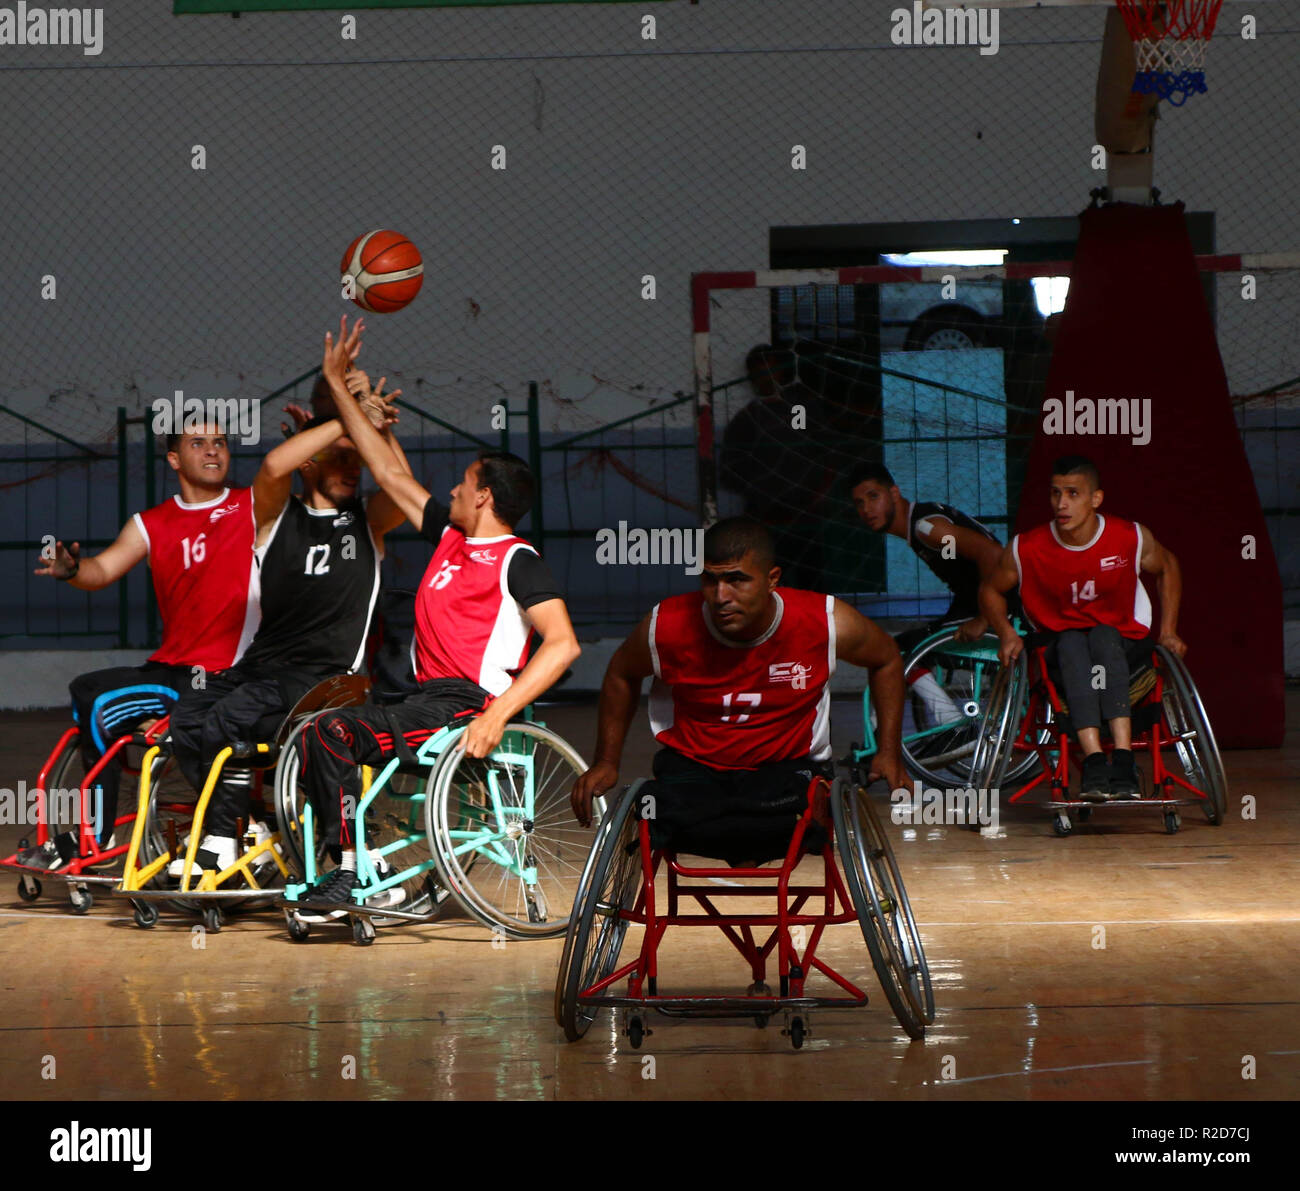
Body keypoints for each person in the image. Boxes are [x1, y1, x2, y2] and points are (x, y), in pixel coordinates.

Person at [288, 316, 581, 919]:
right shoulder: (450, 540)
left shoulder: (517, 560)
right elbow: (392, 475)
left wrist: (498, 714)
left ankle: (349, 873)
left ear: (485, 498)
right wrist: (339, 389)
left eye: (465, 481)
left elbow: (562, 645)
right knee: (312, 726)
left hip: (468, 703)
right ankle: (376, 874)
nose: (450, 487)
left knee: (331, 733)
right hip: (423, 698)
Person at [166, 364, 408, 877]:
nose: (353, 464)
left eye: (356, 457)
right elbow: (275, 464)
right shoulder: (277, 517)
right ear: (310, 463)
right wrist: (349, 416)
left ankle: (220, 840)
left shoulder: (368, 521)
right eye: (339, 455)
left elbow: (401, 485)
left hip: (328, 680)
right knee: (188, 716)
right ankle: (246, 823)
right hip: (262, 670)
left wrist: (377, 426)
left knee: (232, 716)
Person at [570, 517, 906, 865]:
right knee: (657, 807)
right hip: (694, 771)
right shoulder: (667, 625)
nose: (720, 597)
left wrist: (889, 751)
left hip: (787, 772)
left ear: (772, 579)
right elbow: (621, 674)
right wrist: (606, 762)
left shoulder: (824, 620)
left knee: (787, 817)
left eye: (736, 580)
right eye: (710, 580)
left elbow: (887, 660)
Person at [16, 428, 259, 870]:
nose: (212, 450)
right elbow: (102, 569)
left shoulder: (254, 505)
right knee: (87, 689)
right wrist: (72, 571)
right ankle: (98, 832)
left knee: (98, 700)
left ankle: (105, 834)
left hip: (226, 673)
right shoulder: (150, 523)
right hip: (172, 669)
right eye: (198, 444)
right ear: (173, 459)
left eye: (220, 443)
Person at [979, 455, 1185, 801]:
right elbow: (989, 589)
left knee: (1103, 635)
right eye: (1056, 493)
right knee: (1073, 642)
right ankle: (1093, 761)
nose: (1061, 503)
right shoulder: (1027, 547)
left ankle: (1122, 759)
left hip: (1121, 642)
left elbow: (1169, 566)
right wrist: (1006, 633)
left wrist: (1169, 630)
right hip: (1060, 647)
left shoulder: (1128, 536)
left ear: (1095, 499)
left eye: (1073, 494)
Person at [848, 462, 1010, 725]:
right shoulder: (921, 525)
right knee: (900, 646)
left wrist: (986, 617)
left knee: (895, 650)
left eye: (873, 497)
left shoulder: (927, 529)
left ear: (894, 493)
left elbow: (993, 554)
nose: (866, 509)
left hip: (993, 606)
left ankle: (949, 725)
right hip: (971, 603)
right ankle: (884, 741)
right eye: (859, 503)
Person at [719, 345, 836, 591]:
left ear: (782, 372)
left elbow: (824, 454)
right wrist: (760, 491)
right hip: (767, 521)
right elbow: (729, 471)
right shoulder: (747, 419)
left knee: (811, 584)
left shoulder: (799, 408)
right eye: (758, 373)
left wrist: (819, 494)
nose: (765, 379)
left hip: (806, 517)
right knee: (769, 584)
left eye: (770, 371)